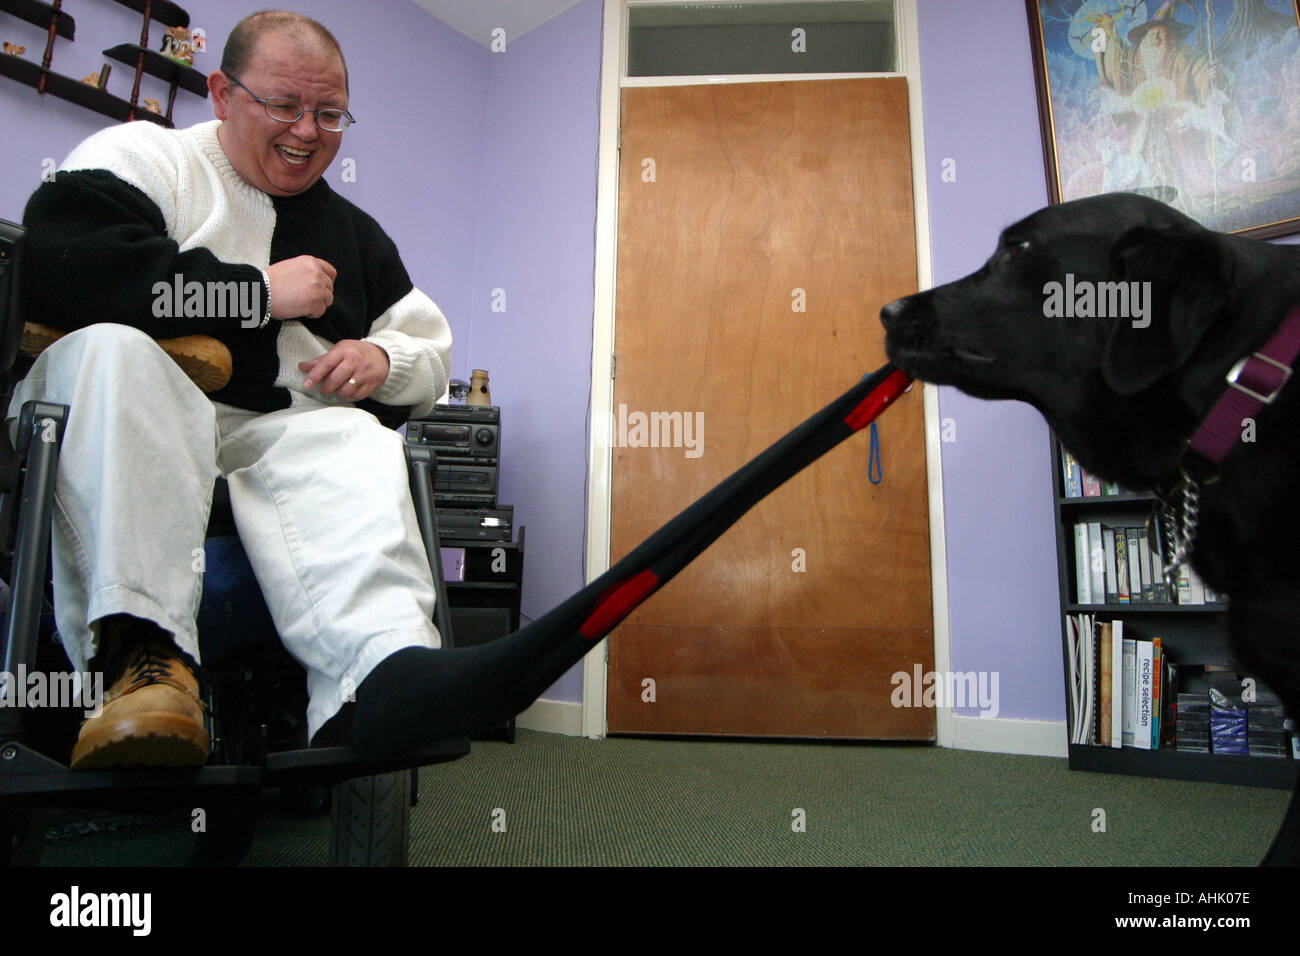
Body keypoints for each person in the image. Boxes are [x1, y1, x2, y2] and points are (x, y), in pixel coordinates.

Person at [13, 10, 452, 767]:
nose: (308, 131)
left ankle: (379, 679)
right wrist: (251, 294)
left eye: (328, 113)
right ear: (221, 92)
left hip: (265, 436)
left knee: (352, 436)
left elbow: (430, 349)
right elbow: (63, 273)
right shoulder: (141, 156)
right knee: (118, 350)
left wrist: (385, 361)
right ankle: (143, 667)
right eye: (284, 105)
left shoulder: (356, 232)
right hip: (125, 406)